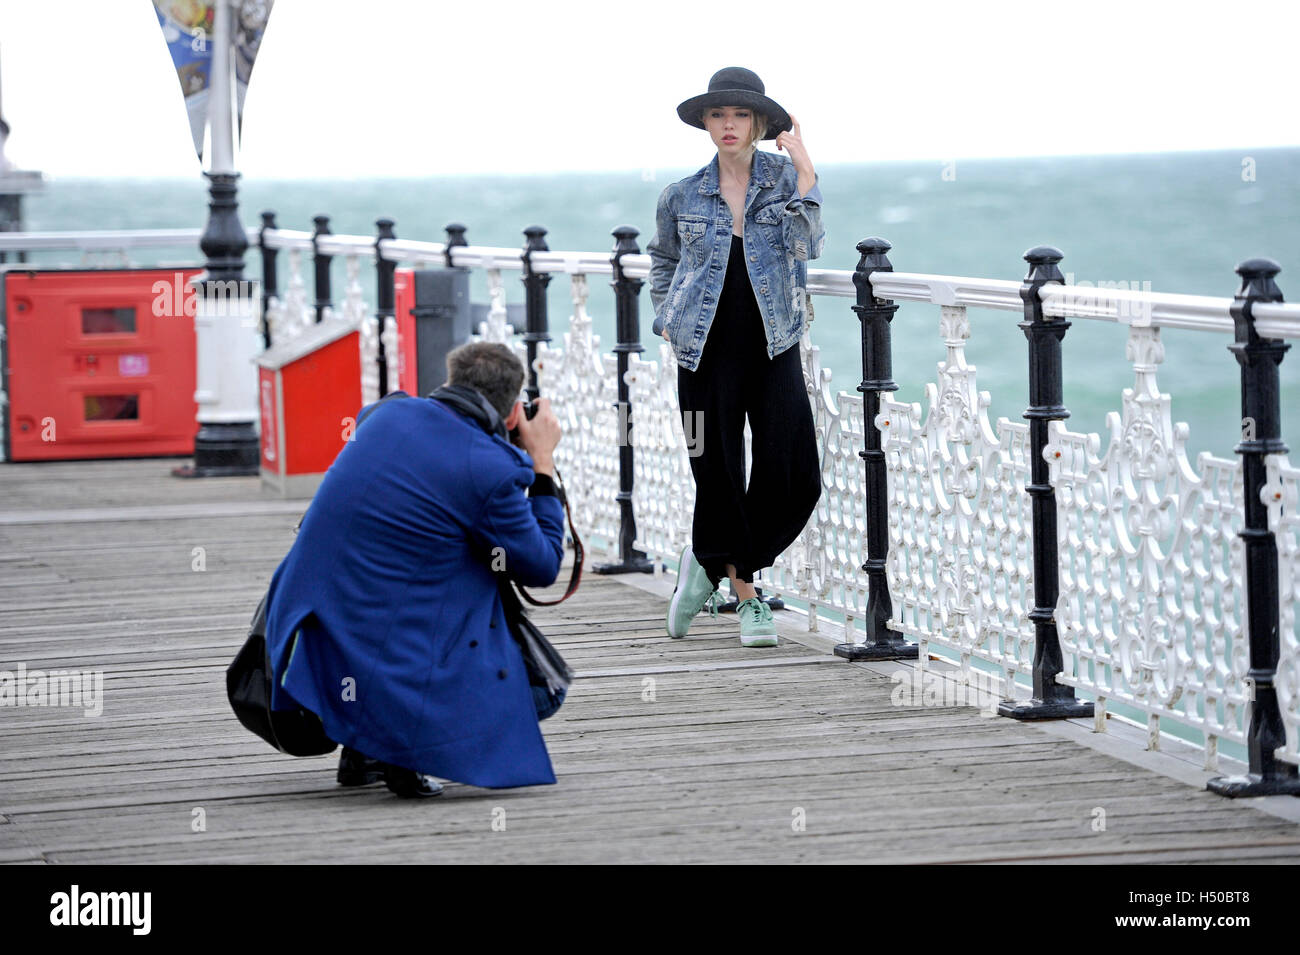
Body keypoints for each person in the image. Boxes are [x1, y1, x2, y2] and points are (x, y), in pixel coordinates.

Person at [263, 342, 566, 797]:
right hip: (393, 655)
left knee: (425, 560)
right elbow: (541, 566)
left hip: (315, 637)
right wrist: (542, 463)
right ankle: (405, 747)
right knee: (541, 686)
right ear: (511, 416)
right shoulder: (489, 468)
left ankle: (363, 746)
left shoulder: (383, 416)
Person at [647, 66, 824, 648]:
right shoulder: (681, 194)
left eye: (741, 115)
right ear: (704, 122)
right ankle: (749, 598)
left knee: (794, 474)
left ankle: (706, 561)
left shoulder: (782, 182)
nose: (728, 125)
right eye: (718, 115)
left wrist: (805, 173)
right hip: (702, 349)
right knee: (717, 470)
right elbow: (664, 262)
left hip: (774, 342)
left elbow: (806, 245)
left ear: (761, 123)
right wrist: (666, 320)